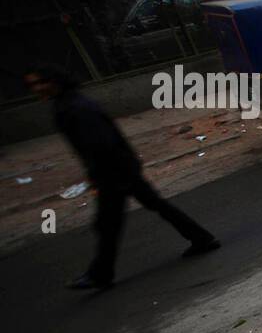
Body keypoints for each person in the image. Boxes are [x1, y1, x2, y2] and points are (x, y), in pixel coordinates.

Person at [25, 66, 219, 290]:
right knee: (150, 208)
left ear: (54, 81)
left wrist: (100, 177)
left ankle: (101, 274)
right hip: (120, 169)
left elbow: (101, 144)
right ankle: (201, 238)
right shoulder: (70, 104)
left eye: (40, 83)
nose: (36, 89)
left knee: (109, 224)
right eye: (32, 85)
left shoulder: (75, 108)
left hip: (114, 172)